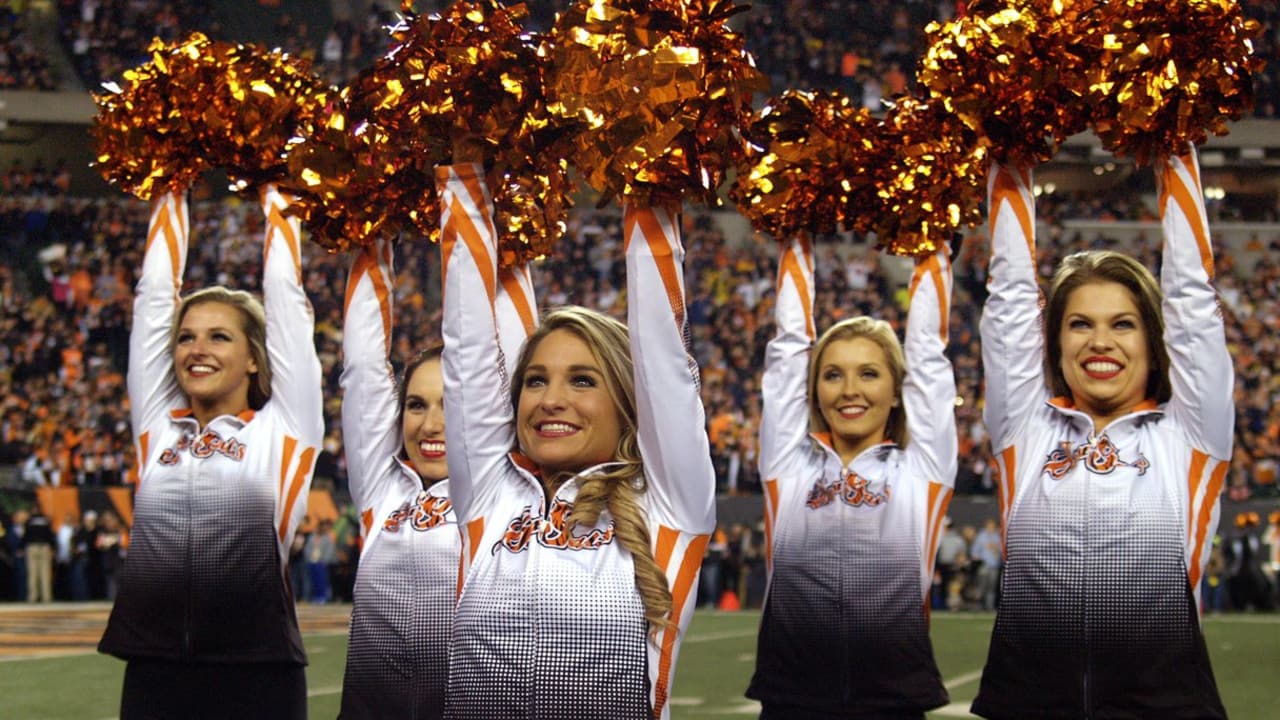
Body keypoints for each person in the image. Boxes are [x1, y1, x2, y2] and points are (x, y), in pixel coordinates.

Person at [438, 161, 716, 720]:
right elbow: (466, 348)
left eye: (582, 380)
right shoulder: (490, 498)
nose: (550, 400)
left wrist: (650, 174)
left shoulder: (667, 504)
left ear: (629, 401)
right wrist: (463, 168)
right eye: (535, 380)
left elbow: (664, 356)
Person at [971, 147, 1230, 718]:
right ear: (1056, 342)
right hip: (1026, 705)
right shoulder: (1024, 430)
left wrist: (1175, 148)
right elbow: (1010, 295)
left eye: (1123, 324)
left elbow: (1191, 297)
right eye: (1080, 324)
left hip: (1165, 709)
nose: (1100, 342)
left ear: (1152, 340)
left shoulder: (1192, 437)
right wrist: (1009, 159)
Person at [97, 186, 323, 720]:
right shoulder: (157, 429)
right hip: (153, 670)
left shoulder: (285, 431)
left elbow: (287, 300)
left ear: (253, 359)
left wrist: (278, 194)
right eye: (186, 338)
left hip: (258, 672)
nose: (197, 349)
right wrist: (170, 183)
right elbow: (154, 295)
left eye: (220, 337)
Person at [744, 234, 956, 719]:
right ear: (814, 389)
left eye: (869, 374)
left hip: (895, 702)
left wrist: (932, 249)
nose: (849, 390)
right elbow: (788, 350)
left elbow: (927, 354)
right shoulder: (787, 469)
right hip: (790, 701)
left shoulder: (923, 473)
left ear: (898, 392)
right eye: (833, 375)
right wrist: (795, 233)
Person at [337, 234, 534, 719]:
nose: (430, 425)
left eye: (453, 406)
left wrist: (510, 245)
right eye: (416, 405)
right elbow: (362, 369)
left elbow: (517, 359)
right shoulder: (380, 495)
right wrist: (370, 235)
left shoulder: (503, 498)